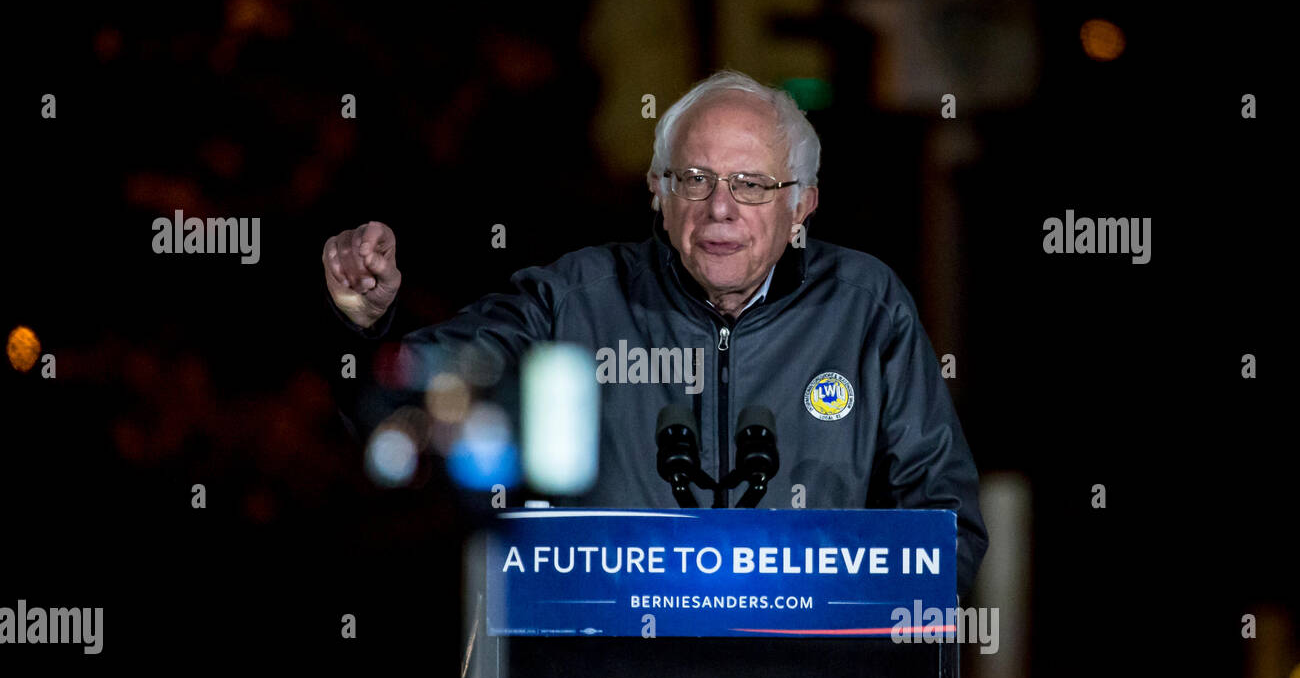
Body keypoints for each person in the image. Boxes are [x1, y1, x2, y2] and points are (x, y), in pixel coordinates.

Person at [322, 69, 989, 598]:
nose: (720, 207)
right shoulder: (573, 300)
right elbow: (416, 392)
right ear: (658, 193)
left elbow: (946, 526)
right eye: (694, 180)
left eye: (751, 184)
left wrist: (861, 645)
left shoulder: (866, 307)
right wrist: (367, 318)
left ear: (801, 204)